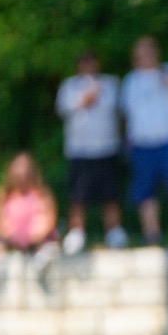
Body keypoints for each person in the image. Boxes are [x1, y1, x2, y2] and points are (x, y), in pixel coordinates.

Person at [118, 35, 168, 247]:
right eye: (141, 52)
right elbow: (126, 114)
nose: (145, 56)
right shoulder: (130, 81)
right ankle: (152, 235)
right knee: (145, 191)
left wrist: (159, 70)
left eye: (149, 51)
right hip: (142, 145)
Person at [54, 50, 126, 253]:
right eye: (83, 62)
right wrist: (84, 99)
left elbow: (115, 108)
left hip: (106, 148)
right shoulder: (69, 86)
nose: (88, 66)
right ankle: (77, 233)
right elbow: (64, 109)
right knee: (78, 195)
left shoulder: (110, 84)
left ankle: (114, 231)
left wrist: (94, 96)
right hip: (79, 150)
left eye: (91, 61)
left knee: (110, 193)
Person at [0, 152, 58, 255]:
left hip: (39, 241)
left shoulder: (42, 194)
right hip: (10, 241)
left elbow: (48, 220)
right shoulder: (4, 196)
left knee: (49, 250)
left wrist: (34, 236)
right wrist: (12, 235)